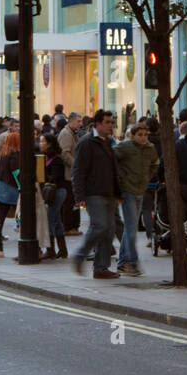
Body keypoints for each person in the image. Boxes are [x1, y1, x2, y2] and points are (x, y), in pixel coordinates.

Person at [71, 109, 120, 279]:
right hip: (93, 193)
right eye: (107, 122)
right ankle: (79, 256)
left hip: (108, 193)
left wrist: (117, 192)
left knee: (109, 229)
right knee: (99, 225)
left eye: (111, 122)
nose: (110, 126)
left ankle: (101, 267)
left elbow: (113, 169)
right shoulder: (86, 142)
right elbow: (78, 171)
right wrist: (79, 196)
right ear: (98, 124)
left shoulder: (107, 141)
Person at [113, 122, 157, 277]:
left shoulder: (150, 149)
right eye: (140, 135)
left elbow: (155, 164)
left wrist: (146, 178)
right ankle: (131, 262)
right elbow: (112, 159)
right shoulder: (125, 147)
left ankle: (123, 262)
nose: (144, 138)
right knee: (132, 228)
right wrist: (120, 179)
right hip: (128, 191)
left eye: (146, 135)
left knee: (129, 228)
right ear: (132, 135)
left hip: (140, 190)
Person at [41, 132, 69, 259]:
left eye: (43, 142)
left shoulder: (56, 159)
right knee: (57, 220)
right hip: (54, 192)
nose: (40, 144)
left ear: (50, 144)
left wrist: (44, 177)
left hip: (56, 192)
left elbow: (55, 178)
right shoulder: (46, 157)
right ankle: (63, 250)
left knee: (49, 220)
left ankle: (50, 249)